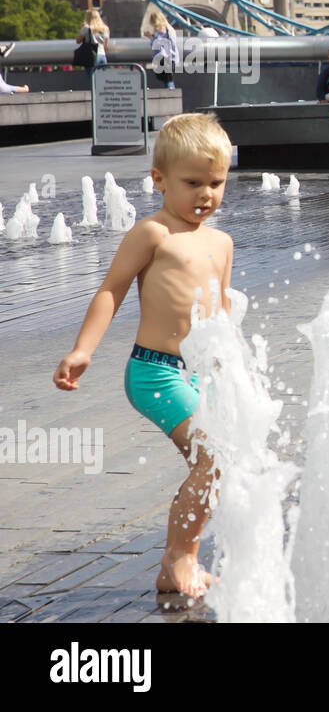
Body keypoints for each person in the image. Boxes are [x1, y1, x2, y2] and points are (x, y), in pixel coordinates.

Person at [53, 113, 233, 601]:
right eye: (192, 182)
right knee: (212, 459)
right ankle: (181, 557)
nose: (206, 194)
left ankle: (174, 565)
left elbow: (221, 307)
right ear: (159, 180)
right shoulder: (153, 233)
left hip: (200, 374)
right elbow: (111, 290)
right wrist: (83, 350)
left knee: (221, 461)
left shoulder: (222, 241)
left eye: (216, 182)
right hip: (155, 371)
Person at [141, 10, 181, 89]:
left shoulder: (161, 30)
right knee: (168, 80)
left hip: (165, 59)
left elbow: (158, 45)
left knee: (168, 81)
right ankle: (171, 94)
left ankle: (170, 94)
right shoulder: (168, 29)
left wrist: (150, 36)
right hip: (171, 58)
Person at [75, 9, 110, 78]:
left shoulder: (86, 28)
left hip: (92, 57)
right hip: (103, 56)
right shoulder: (105, 28)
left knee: (93, 81)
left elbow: (78, 40)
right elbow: (106, 45)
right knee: (103, 81)